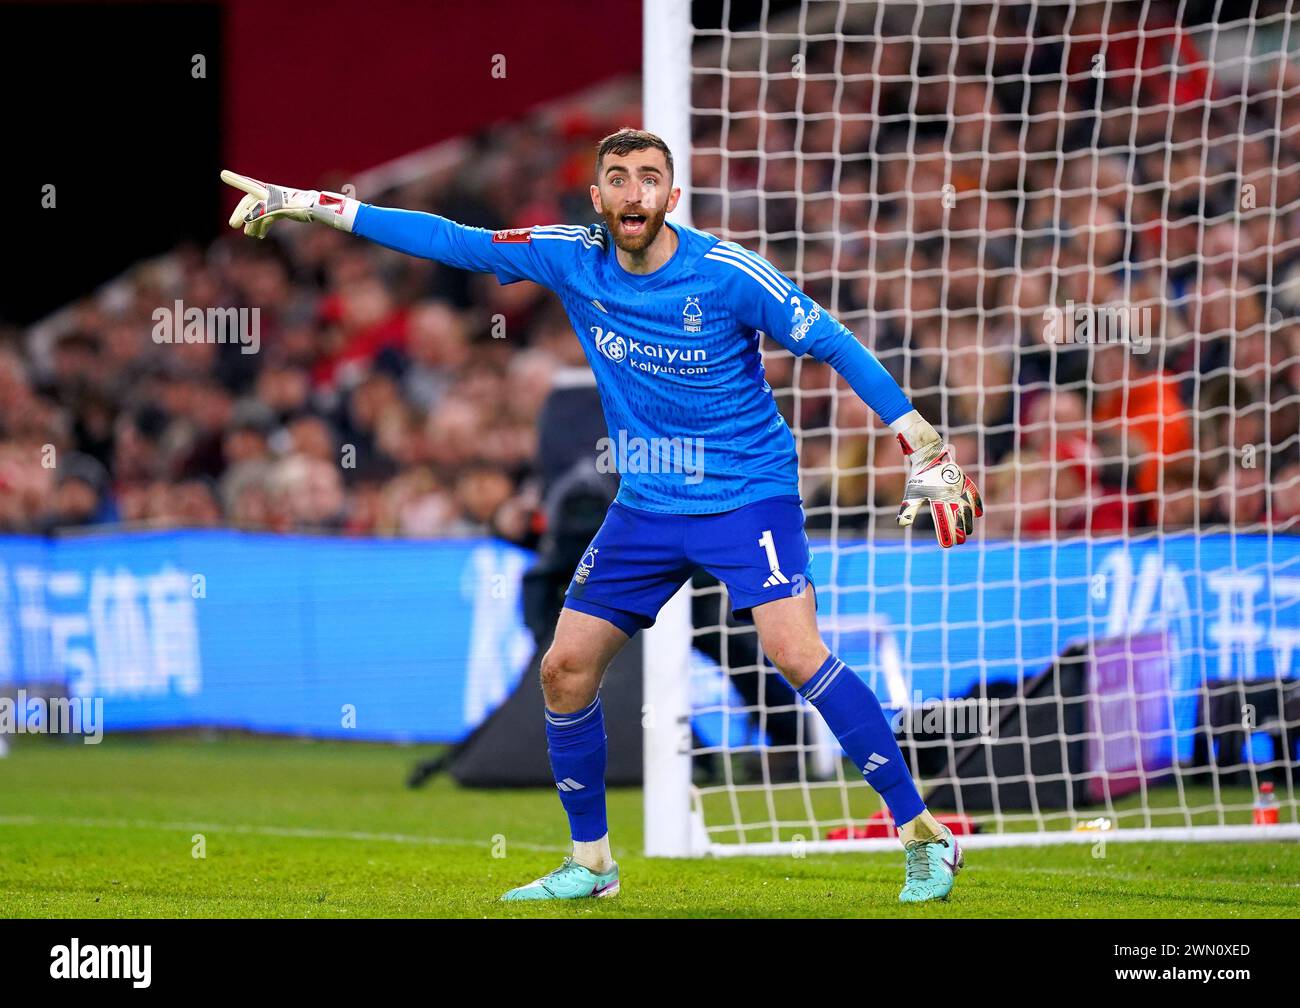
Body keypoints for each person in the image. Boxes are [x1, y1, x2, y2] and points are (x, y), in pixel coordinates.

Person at [222, 128, 984, 904]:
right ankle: (592, 863)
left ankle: (924, 834)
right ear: (598, 197)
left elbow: (834, 342)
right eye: (617, 178)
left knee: (793, 652)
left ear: (671, 197)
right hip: (648, 502)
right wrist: (313, 207)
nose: (633, 193)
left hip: (745, 492)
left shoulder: (726, 274)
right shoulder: (571, 254)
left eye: (649, 179)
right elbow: (456, 242)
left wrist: (920, 442)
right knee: (564, 667)